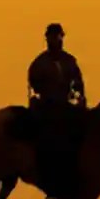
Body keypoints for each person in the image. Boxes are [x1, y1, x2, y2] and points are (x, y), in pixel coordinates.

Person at [25, 23, 87, 190]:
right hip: (48, 105)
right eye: (52, 37)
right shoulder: (39, 63)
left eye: (58, 37)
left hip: (65, 104)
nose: (55, 40)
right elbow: (34, 85)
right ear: (48, 39)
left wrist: (79, 97)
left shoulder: (69, 61)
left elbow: (78, 83)